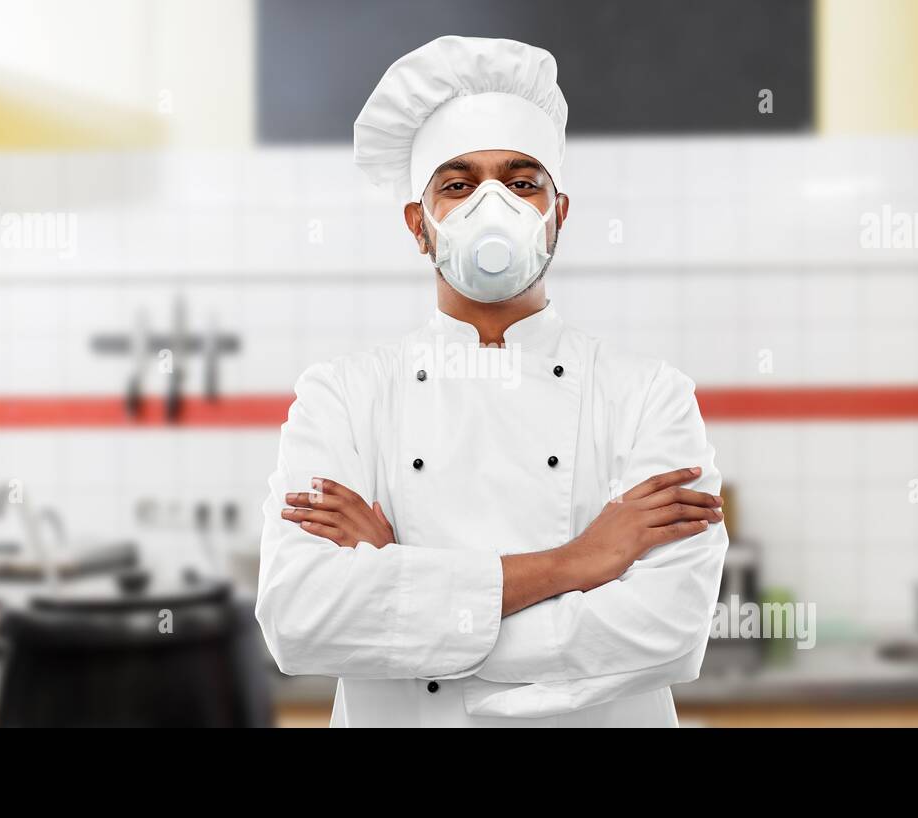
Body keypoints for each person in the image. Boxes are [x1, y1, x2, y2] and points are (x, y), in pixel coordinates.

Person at [255, 35, 728, 727]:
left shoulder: (650, 396)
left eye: (521, 180)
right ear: (420, 226)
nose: (492, 203)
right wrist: (577, 561)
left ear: (556, 213)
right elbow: (299, 621)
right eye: (457, 184)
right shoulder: (343, 396)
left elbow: (670, 631)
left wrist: (406, 587)